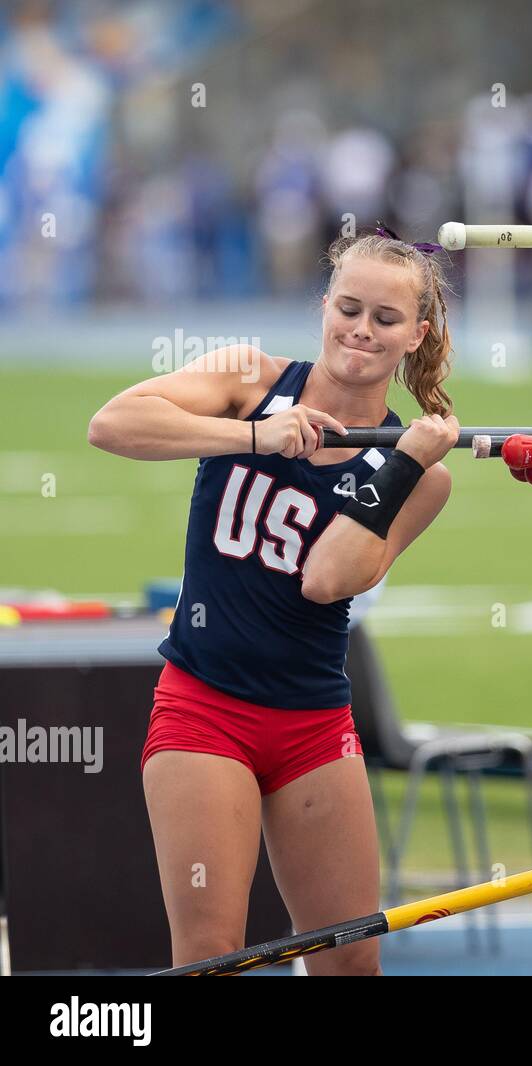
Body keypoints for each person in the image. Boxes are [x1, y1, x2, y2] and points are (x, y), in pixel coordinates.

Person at [87, 231, 459, 973]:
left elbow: (328, 577)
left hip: (315, 722)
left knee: (350, 962)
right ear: (323, 306)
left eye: (385, 319)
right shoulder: (249, 377)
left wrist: (404, 461)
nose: (360, 329)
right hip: (205, 707)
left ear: (416, 334)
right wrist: (255, 436)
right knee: (211, 955)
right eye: (347, 308)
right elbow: (113, 425)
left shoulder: (422, 473)